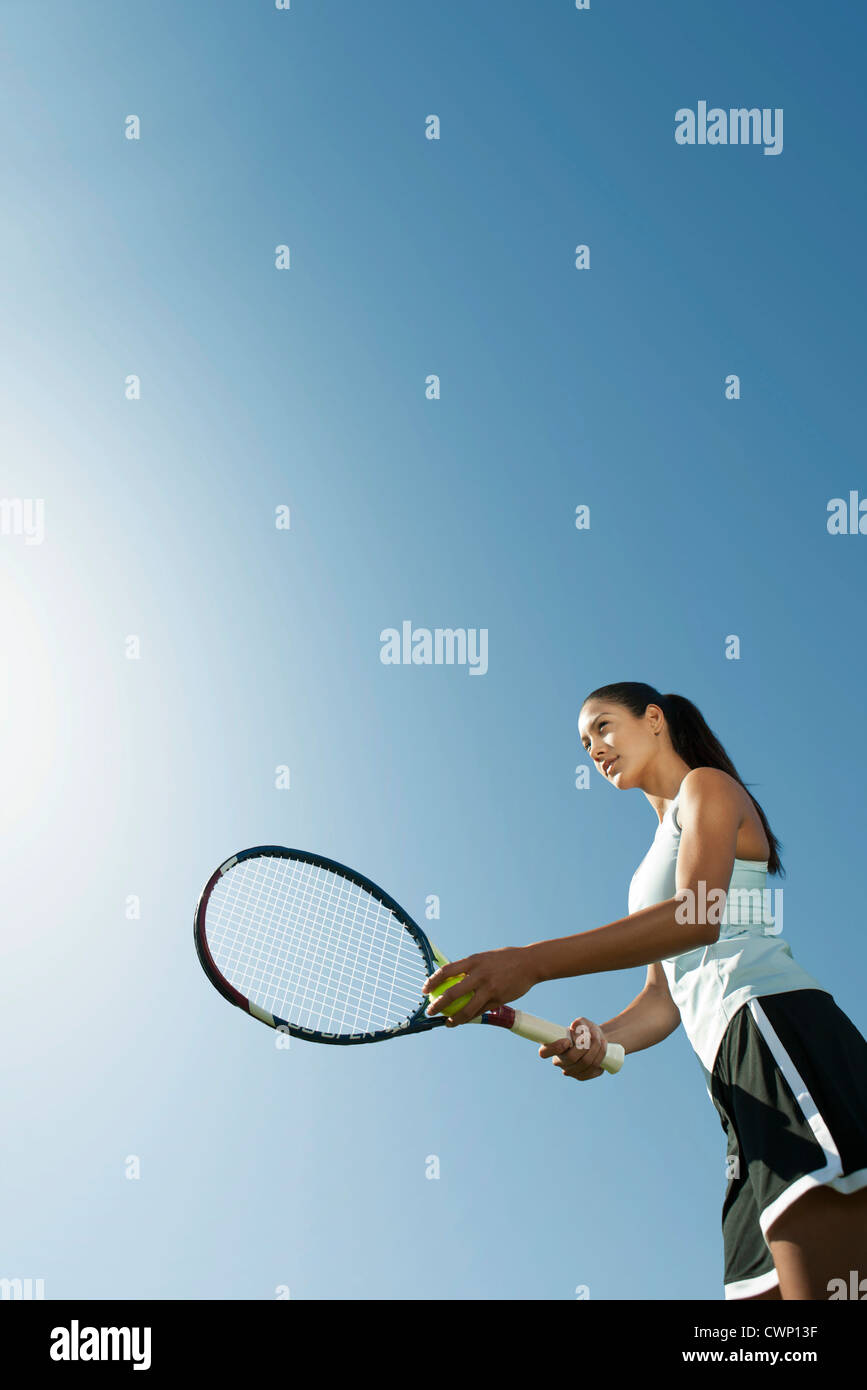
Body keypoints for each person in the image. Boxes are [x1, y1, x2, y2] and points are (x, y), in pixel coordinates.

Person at [423, 681, 867, 1300]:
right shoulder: (643, 872)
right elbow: (664, 1000)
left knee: (825, 1282)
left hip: (773, 1028)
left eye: (603, 727)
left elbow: (699, 915)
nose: (595, 749)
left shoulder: (707, 788)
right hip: (732, 1084)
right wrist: (601, 1039)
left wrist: (530, 963)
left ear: (653, 719)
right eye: (584, 744)